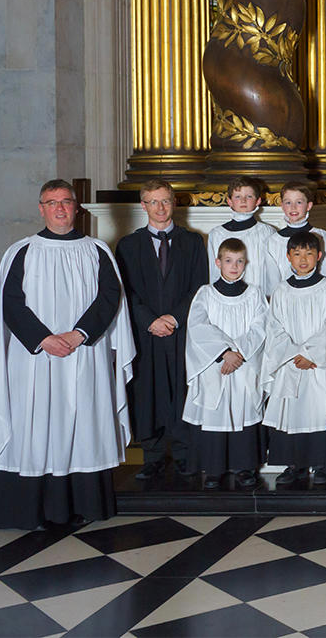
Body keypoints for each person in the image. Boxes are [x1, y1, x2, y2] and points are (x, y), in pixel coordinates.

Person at [0, 180, 134, 529]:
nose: (60, 208)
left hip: (84, 353)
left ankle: (82, 505)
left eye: (66, 202)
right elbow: (10, 303)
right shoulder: (21, 251)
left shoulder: (97, 250)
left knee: (84, 423)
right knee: (35, 423)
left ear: (76, 207)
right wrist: (43, 339)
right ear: (41, 208)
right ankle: (32, 511)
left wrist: (80, 334)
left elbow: (109, 297)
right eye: (52, 203)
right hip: (34, 357)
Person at [116, 179, 209, 481]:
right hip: (145, 333)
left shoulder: (193, 242)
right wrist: (149, 321)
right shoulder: (128, 245)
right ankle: (152, 455)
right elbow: (124, 291)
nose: (160, 207)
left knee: (182, 388)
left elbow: (200, 287)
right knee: (147, 391)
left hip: (181, 331)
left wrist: (174, 318)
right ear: (143, 205)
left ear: (174, 203)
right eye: (153, 201)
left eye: (165, 200)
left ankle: (183, 453)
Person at [183, 237, 268, 490]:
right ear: (218, 262)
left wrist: (238, 352)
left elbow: (260, 327)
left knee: (243, 409)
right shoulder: (205, 294)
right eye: (229, 261)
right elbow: (198, 326)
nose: (234, 266)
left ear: (246, 264)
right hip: (215, 365)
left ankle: (245, 467)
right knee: (216, 410)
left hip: (243, 363)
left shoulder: (254, 294)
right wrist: (224, 352)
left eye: (240, 261)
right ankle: (214, 468)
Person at [262, 231, 326, 488]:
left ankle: (322, 463)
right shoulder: (281, 291)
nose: (303, 260)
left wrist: (311, 353)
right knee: (292, 411)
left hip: (318, 364)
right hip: (290, 361)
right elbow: (274, 328)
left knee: (319, 409)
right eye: (297, 254)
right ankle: (295, 464)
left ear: (319, 256)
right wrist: (295, 353)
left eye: (309, 253)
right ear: (288, 257)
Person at [207, 176, 277, 294]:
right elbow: (214, 273)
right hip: (227, 298)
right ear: (229, 201)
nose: (243, 201)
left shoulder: (268, 233)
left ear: (258, 201)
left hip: (261, 296)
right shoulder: (217, 234)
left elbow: (273, 273)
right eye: (238, 197)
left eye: (249, 196)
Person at [269, 181, 326, 292]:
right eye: (288, 202)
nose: (293, 207)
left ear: (308, 205)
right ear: (282, 206)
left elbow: (325, 270)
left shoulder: (322, 236)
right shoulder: (274, 241)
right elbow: (273, 280)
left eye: (299, 202)